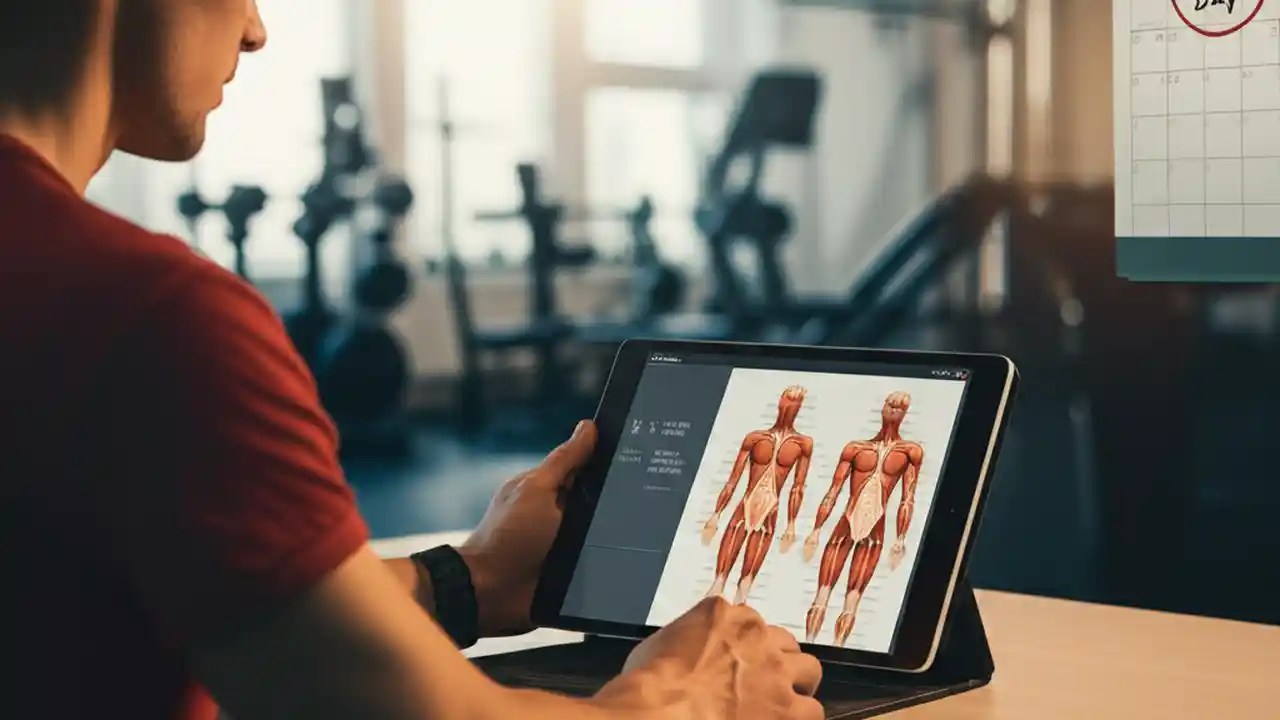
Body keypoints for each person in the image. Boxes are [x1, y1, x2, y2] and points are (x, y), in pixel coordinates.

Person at [0, 2, 823, 719]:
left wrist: (467, 578)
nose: (255, 29)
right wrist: (684, 696)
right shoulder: (154, 319)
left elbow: (211, 602)